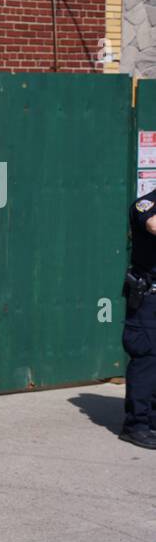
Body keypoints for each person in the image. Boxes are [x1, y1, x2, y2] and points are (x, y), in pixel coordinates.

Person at [120, 192, 156, 448]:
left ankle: (152, 420)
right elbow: (153, 225)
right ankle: (136, 425)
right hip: (148, 298)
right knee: (146, 358)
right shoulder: (146, 204)